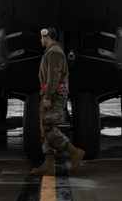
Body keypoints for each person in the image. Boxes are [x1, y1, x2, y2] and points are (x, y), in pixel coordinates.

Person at [31, 27, 85, 176]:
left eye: (42, 38)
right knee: (45, 128)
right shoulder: (51, 51)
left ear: (47, 37)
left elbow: (54, 75)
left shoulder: (54, 52)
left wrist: (48, 96)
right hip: (50, 92)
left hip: (54, 94)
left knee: (48, 128)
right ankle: (48, 165)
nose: (40, 40)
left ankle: (74, 152)